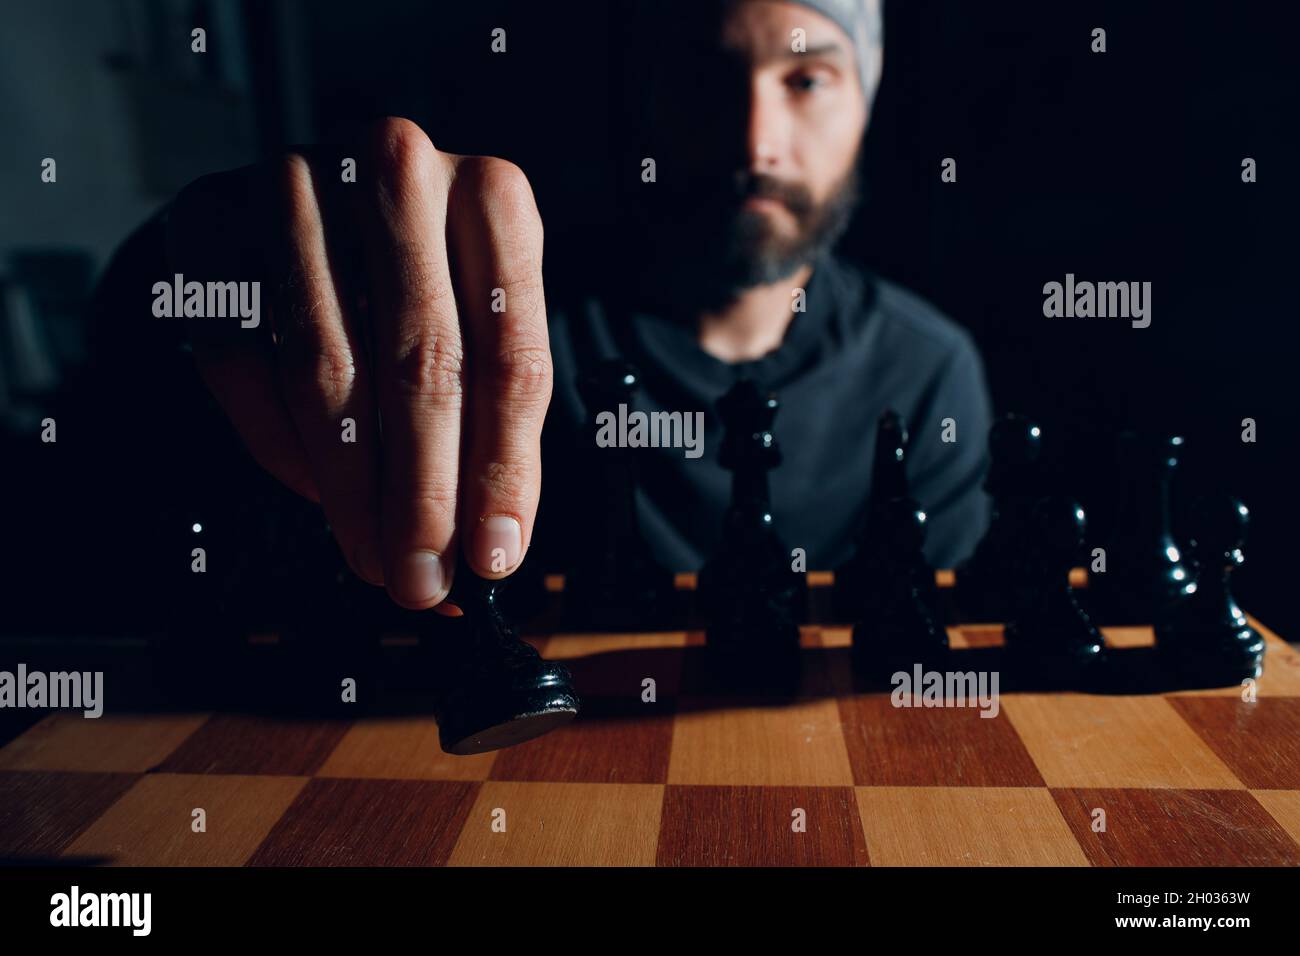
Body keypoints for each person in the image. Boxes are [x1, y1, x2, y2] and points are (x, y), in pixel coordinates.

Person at [98, 0, 992, 614]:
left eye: (807, 80)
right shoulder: (479, 314)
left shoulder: (929, 371)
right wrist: (190, 265)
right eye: (702, 76)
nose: (754, 140)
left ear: (866, 107)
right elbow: (142, 412)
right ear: (641, 99)